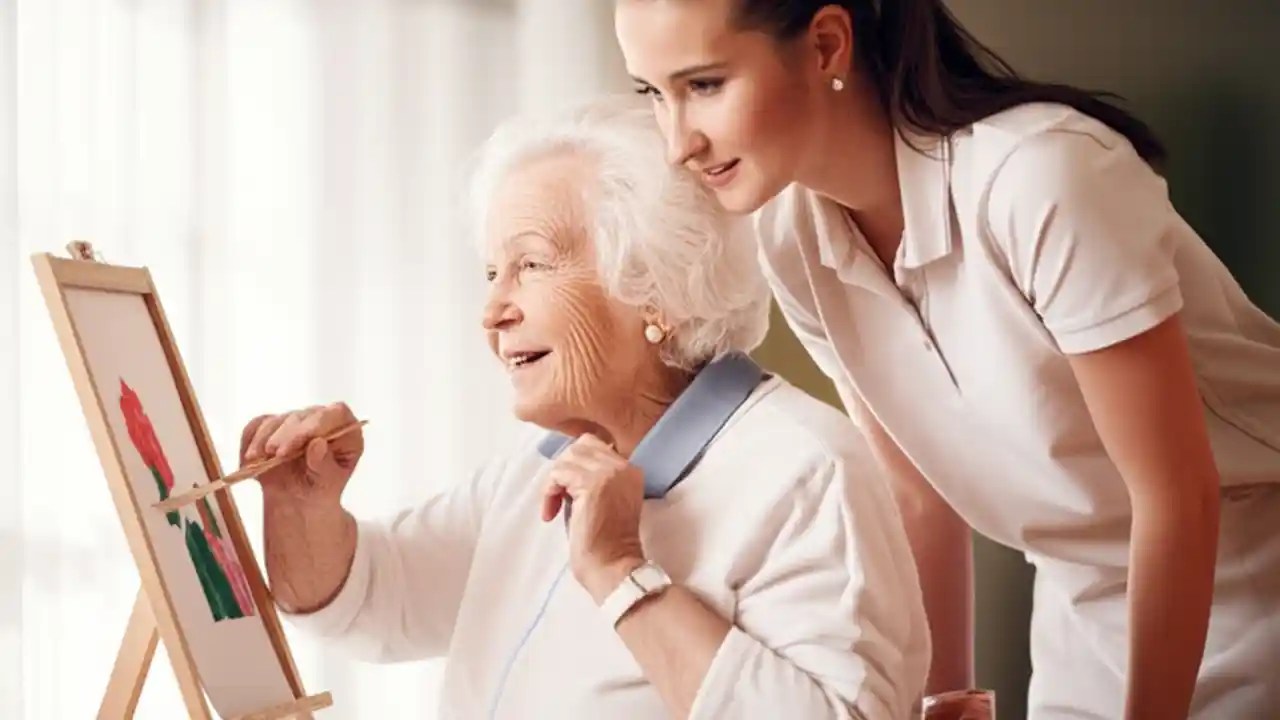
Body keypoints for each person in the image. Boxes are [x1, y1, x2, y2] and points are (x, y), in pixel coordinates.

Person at [613, 1, 1280, 718]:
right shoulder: (790, 236)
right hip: (1081, 613)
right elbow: (919, 497)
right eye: (653, 93)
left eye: (704, 85)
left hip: (1253, 575)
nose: (677, 142)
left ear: (827, 45)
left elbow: (1177, 496)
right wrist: (942, 702)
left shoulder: (1042, 177)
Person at [239, 95, 929, 719]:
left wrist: (621, 571)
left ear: (655, 285)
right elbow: (366, 601)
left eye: (531, 265)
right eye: (490, 273)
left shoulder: (806, 471)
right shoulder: (531, 479)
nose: (491, 311)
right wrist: (304, 510)